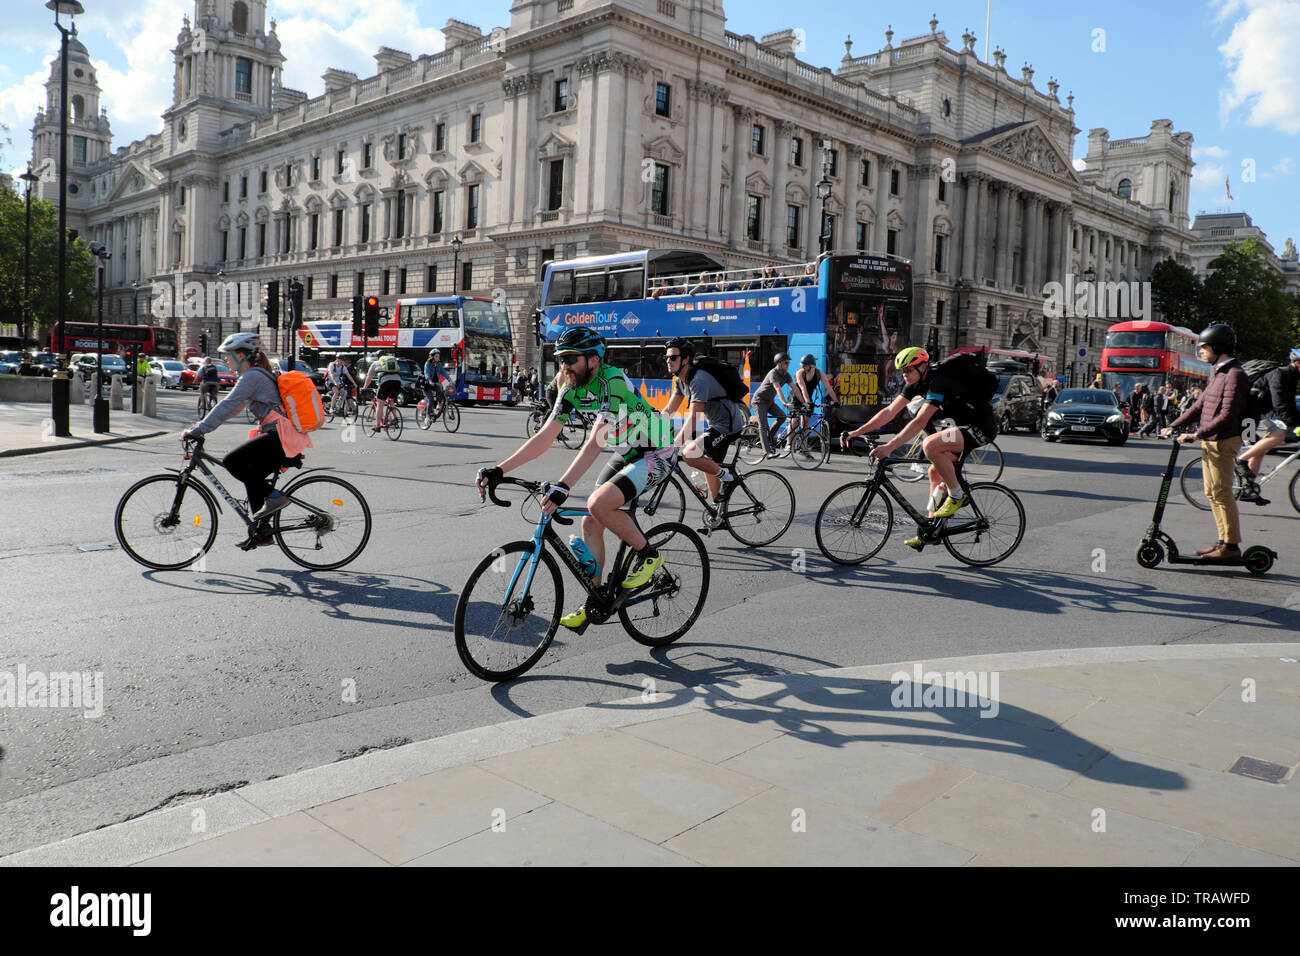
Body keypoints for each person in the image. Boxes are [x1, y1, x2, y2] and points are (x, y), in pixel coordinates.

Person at [476, 327, 679, 633]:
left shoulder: (612, 381)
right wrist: (499, 470)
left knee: (598, 503)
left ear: (594, 359)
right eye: (561, 360)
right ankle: (595, 601)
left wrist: (563, 486)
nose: (564, 366)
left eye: (570, 358)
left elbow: (596, 441)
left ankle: (648, 556)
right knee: (590, 522)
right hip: (628, 451)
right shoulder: (570, 389)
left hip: (658, 449)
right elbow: (544, 437)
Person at [840, 346, 998, 550]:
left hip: (980, 426)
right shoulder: (914, 385)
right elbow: (889, 411)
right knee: (935, 472)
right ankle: (931, 530)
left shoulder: (938, 382)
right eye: (902, 371)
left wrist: (889, 447)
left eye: (908, 370)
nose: (904, 374)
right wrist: (856, 432)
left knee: (930, 444)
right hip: (961, 427)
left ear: (923, 367)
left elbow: (920, 421)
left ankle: (958, 496)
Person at [180, 333, 311, 550]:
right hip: (280, 436)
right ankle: (262, 533)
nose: (226, 361)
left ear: (241, 355)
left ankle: (275, 498)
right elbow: (233, 409)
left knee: (233, 462)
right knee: (252, 475)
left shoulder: (252, 377)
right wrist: (201, 426)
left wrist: (198, 430)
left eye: (228, 356)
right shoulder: (256, 375)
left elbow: (227, 405)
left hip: (279, 437)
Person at [1162, 324, 1251, 562]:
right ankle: (1222, 540)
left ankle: (1231, 546)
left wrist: (1197, 434)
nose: (1201, 352)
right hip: (1211, 441)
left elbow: (1227, 415)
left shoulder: (1235, 375)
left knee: (1222, 493)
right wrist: (1174, 425)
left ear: (1217, 348)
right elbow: (1199, 406)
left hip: (1223, 441)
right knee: (1212, 493)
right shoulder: (1219, 373)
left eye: (1204, 347)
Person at [661, 339, 742, 524]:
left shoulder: (699, 380)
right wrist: (650, 431)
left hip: (729, 425)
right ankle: (719, 516)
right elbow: (669, 411)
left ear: (686, 359)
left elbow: (694, 417)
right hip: (716, 424)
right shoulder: (680, 382)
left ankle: (729, 479)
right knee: (709, 468)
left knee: (690, 454)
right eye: (666, 357)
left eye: (673, 357)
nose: (668, 361)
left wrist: (675, 445)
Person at [1234, 347, 1300, 502]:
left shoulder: (1291, 377)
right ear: (1297, 363)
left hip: (1254, 414)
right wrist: (1293, 425)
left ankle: (1249, 490)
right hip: (1247, 413)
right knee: (1278, 435)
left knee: (1258, 449)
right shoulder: (1280, 374)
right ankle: (1240, 460)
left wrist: (1297, 421)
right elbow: (1280, 405)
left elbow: (1290, 405)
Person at [752, 353, 796, 457]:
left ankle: (768, 438)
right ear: (779, 363)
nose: (787, 365)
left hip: (769, 402)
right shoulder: (773, 373)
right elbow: (777, 388)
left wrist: (804, 402)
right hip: (759, 401)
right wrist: (785, 403)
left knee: (782, 417)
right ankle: (767, 452)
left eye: (788, 363)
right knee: (763, 426)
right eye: (786, 363)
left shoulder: (786, 375)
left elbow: (794, 388)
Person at [791, 354, 839, 437]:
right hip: (796, 398)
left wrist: (836, 401)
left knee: (805, 423)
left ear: (811, 366)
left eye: (804, 366)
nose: (802, 367)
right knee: (794, 422)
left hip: (808, 398)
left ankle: (803, 445)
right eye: (802, 365)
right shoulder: (800, 373)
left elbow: (829, 388)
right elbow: (803, 388)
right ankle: (788, 444)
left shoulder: (819, 373)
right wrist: (807, 403)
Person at [364, 354, 405, 433]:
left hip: (385, 382)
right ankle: (395, 418)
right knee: (391, 400)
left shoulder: (375, 363)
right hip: (397, 381)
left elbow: (369, 378)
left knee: (380, 404)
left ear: (378, 357)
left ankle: (378, 426)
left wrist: (364, 388)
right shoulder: (392, 362)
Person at [422, 349, 449, 414]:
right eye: (436, 356)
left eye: (438, 356)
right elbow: (427, 373)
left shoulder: (439, 364)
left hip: (435, 384)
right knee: (431, 400)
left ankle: (438, 404)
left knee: (441, 391)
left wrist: (449, 379)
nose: (438, 357)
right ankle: (427, 417)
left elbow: (443, 372)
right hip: (427, 385)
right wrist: (430, 380)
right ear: (432, 356)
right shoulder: (427, 363)